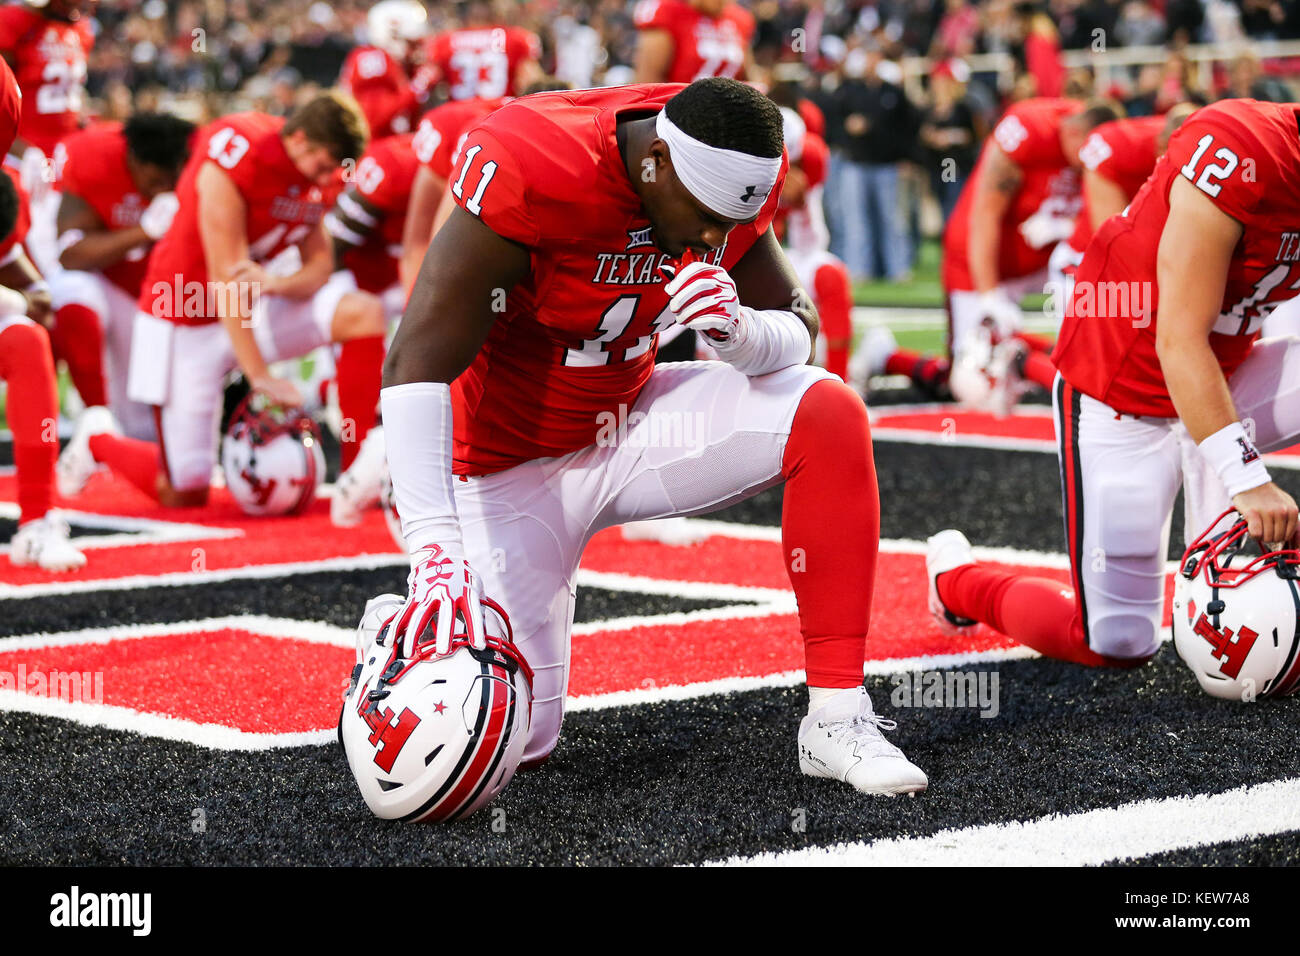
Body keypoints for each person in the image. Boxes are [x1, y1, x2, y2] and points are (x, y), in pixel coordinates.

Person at [379, 78, 927, 796]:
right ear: (656, 162)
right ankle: (393, 636)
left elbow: (799, 326)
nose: (711, 240)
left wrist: (741, 333)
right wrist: (433, 551)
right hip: (506, 465)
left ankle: (836, 717)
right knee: (506, 744)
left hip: (629, 420)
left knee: (827, 410)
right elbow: (414, 358)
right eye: (702, 217)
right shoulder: (536, 160)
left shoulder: (732, 142)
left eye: (727, 226)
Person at [927, 98, 1300, 669]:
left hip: (1222, 382)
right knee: (1115, 643)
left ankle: (1214, 469)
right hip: (1125, 392)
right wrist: (1248, 478)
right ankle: (956, 580)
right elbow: (1177, 340)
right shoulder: (1242, 147)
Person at [55, 92, 377, 508]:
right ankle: (98, 441)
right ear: (299, 141)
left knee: (361, 313)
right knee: (184, 492)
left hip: (250, 308)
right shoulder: (238, 149)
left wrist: (275, 284)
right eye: (326, 163)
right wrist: (259, 376)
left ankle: (356, 479)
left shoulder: (317, 175)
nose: (330, 176)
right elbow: (226, 276)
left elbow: (319, 266)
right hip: (184, 316)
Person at [48, 112, 196, 440]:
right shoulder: (93, 156)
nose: (163, 190)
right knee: (72, 293)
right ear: (133, 160)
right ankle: (94, 419)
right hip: (108, 282)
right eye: (156, 181)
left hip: (163, 296)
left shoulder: (201, 168)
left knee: (143, 431)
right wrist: (143, 231)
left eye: (172, 181)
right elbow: (70, 254)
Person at [339, 0, 430, 139]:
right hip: (375, 150)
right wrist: (420, 83)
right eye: (412, 44)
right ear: (392, 38)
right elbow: (375, 119)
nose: (418, 51)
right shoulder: (372, 59)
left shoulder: (404, 67)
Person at [422, 1, 542, 102]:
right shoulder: (518, 38)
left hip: (460, 118)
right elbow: (533, 86)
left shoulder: (444, 41)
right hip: (500, 114)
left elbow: (423, 86)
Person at [632, 0, 756, 83]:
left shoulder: (740, 19)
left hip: (728, 113)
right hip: (677, 113)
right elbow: (647, 81)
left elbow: (746, 76)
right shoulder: (667, 12)